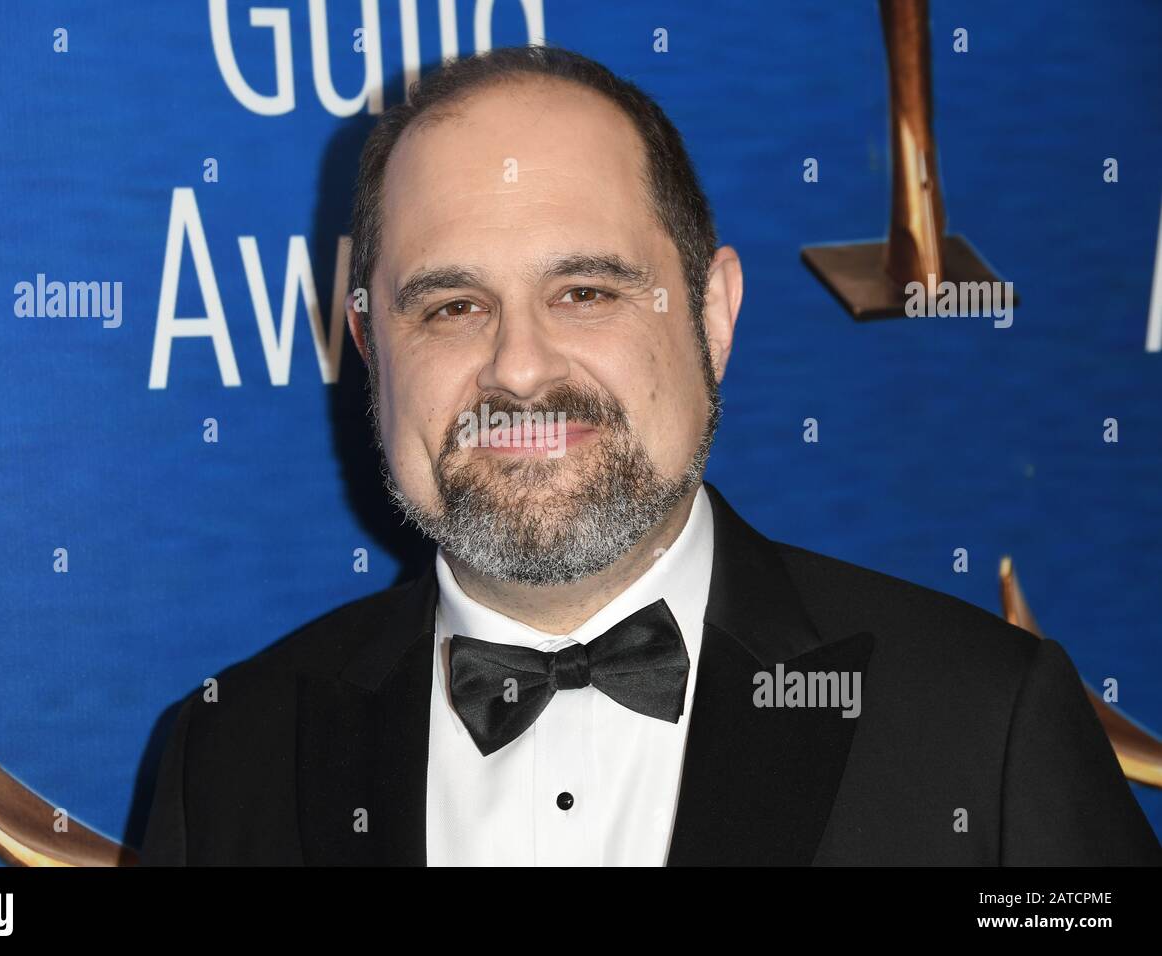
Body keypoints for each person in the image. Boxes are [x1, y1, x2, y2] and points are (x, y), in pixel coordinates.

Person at [140, 44, 1160, 866]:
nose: (522, 370)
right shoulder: (225, 755)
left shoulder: (983, 722)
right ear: (370, 349)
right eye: (452, 307)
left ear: (712, 317)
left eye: (585, 292)